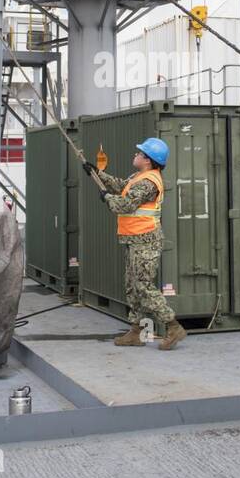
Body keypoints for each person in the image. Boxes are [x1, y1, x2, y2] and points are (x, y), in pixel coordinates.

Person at [83, 138, 187, 351]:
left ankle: (172, 326)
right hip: (134, 239)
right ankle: (136, 332)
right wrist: (97, 174)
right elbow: (122, 186)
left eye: (139, 153)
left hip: (145, 240)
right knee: (132, 286)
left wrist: (106, 197)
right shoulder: (139, 177)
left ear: (148, 160)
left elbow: (124, 204)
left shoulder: (149, 182)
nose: (135, 155)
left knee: (143, 286)